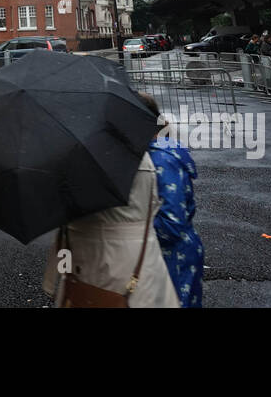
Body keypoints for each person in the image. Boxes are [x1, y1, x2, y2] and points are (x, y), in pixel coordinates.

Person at [42, 150, 180, 308]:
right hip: (142, 258)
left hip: (89, 259)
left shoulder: (73, 159)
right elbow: (153, 203)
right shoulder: (140, 157)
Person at [138, 93, 204, 307]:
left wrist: (131, 227)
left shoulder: (161, 159)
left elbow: (171, 224)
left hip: (175, 259)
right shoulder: (162, 152)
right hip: (173, 256)